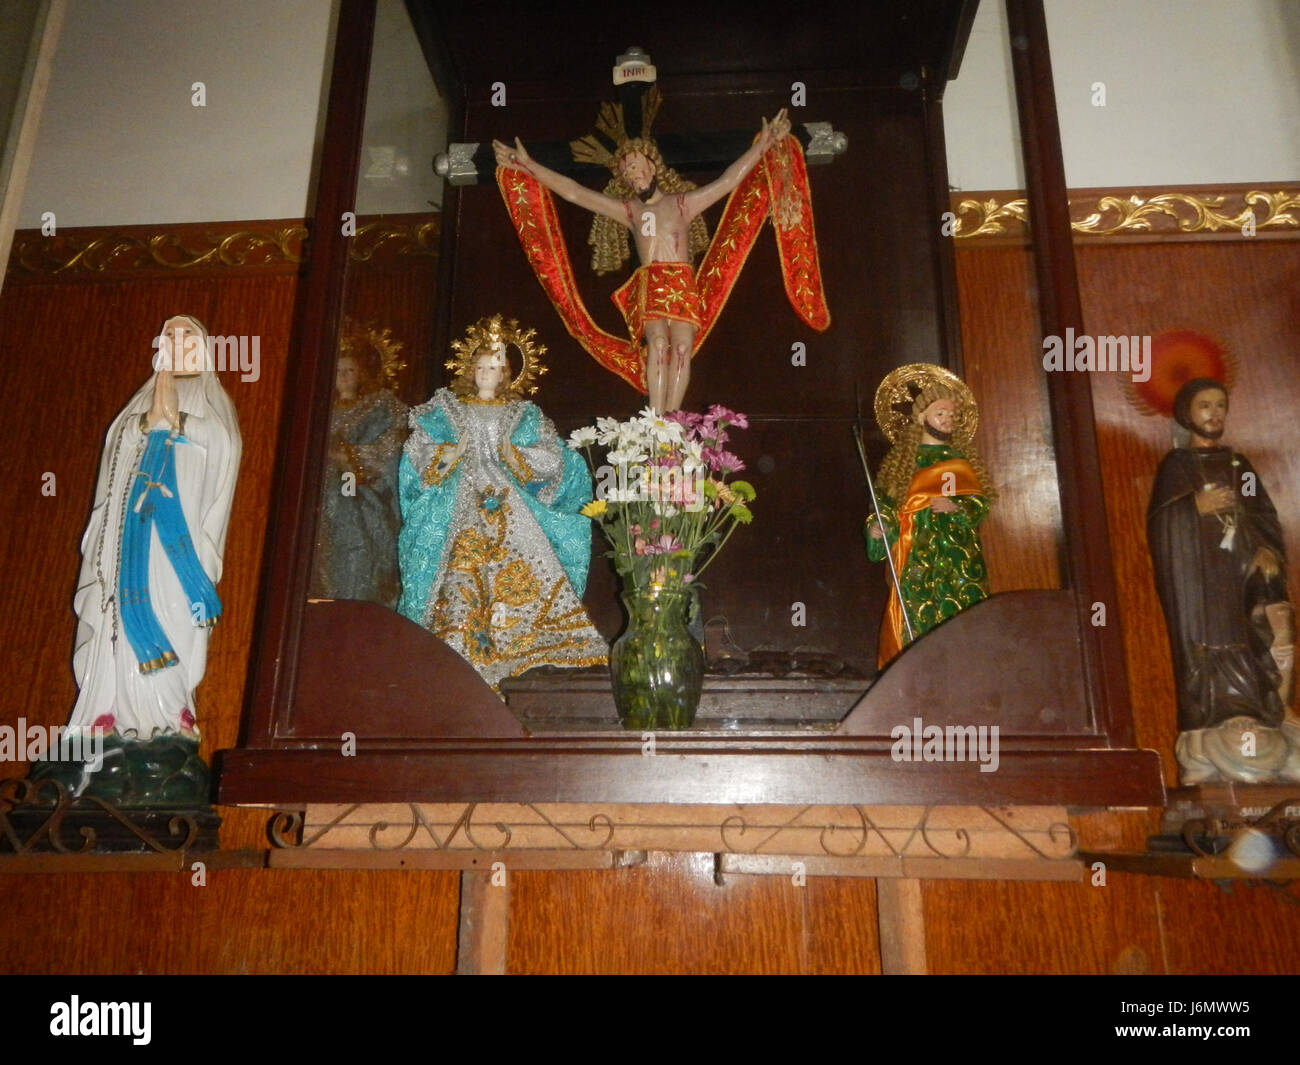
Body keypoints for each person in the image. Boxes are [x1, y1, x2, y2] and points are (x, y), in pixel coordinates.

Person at [493, 108, 791, 412]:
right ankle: (656, 420)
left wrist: (764, 143)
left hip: (680, 280)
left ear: (653, 166)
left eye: (637, 167)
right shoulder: (630, 210)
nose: (635, 176)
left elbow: (728, 181)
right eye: (628, 173)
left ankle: (673, 421)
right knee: (658, 346)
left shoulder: (682, 204)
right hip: (650, 283)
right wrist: (528, 166)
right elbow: (574, 193)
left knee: (683, 347)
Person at [52, 315, 241, 789]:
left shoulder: (212, 399)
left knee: (169, 610)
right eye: (170, 338)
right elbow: (118, 445)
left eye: (188, 339)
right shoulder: (140, 398)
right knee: (114, 614)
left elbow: (225, 447)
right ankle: (105, 711)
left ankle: (164, 714)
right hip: (129, 535)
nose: (179, 346)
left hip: (173, 542)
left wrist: (178, 423)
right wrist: (145, 421)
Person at [396, 317, 607, 690]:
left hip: (508, 497)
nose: (484, 374)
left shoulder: (523, 415)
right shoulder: (446, 410)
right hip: (460, 501)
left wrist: (514, 455)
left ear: (505, 374)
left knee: (524, 562)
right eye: (479, 367)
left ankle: (522, 646)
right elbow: (418, 452)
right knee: (461, 571)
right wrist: (449, 453)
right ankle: (457, 648)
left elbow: (552, 458)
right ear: (468, 369)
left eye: (492, 368)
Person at [1147, 377, 1300, 783]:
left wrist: (1266, 549)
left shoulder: (1240, 467)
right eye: (1205, 406)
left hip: (1241, 576)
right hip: (1201, 585)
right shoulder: (1177, 466)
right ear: (1187, 414)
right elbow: (1162, 523)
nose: (1214, 414)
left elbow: (1262, 515)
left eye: (1220, 406)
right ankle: (1221, 729)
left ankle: (1269, 712)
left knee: (1270, 626)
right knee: (1212, 649)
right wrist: (1194, 506)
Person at [865, 366, 994, 668]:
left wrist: (957, 508)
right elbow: (885, 504)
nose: (948, 421)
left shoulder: (960, 463)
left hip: (957, 554)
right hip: (916, 551)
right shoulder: (903, 464)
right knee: (917, 612)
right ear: (922, 417)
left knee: (962, 615)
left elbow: (977, 503)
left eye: (952, 416)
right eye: (941, 414)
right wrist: (878, 527)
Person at [311, 343, 408, 607]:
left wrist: (350, 458)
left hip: (359, 495)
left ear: (362, 373)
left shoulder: (379, 407)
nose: (343, 376)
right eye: (338, 370)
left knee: (357, 551)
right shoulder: (317, 410)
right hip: (318, 496)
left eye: (350, 370)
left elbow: (389, 447)